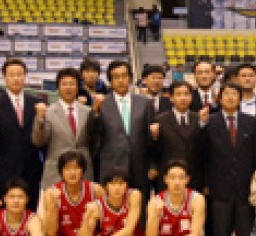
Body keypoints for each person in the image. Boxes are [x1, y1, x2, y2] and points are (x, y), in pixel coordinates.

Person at [204, 83, 256, 236]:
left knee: (245, 233)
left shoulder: (252, 122)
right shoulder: (209, 122)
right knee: (220, 233)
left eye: (234, 94)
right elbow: (202, 156)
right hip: (219, 187)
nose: (230, 98)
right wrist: (206, 183)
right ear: (219, 98)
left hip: (246, 187)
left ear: (240, 98)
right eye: (226, 94)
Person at [0, 58, 45, 207]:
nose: (16, 78)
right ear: (4, 78)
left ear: (25, 76)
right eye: (12, 75)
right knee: (2, 214)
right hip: (5, 170)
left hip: (31, 169)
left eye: (19, 74)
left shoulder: (37, 102)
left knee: (29, 213)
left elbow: (42, 139)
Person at [96, 60, 156, 191]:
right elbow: (95, 138)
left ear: (130, 78)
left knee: (141, 207)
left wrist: (153, 165)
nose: (121, 80)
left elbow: (150, 138)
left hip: (140, 168)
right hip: (112, 170)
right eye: (116, 77)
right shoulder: (102, 104)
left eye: (124, 76)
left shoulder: (145, 103)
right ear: (110, 81)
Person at [34, 68, 96, 188]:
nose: (68, 88)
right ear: (58, 87)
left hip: (84, 173)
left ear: (78, 87)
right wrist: (40, 119)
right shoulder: (48, 112)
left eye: (72, 84)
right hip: (56, 174)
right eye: (64, 84)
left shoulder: (88, 112)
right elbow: (39, 141)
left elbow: (94, 142)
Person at [151, 81, 206, 190]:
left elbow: (204, 149)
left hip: (194, 177)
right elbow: (154, 151)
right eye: (179, 94)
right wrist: (154, 138)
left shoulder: (199, 118)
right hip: (169, 177)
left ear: (191, 97)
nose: (183, 98)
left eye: (186, 94)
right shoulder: (160, 120)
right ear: (171, 98)